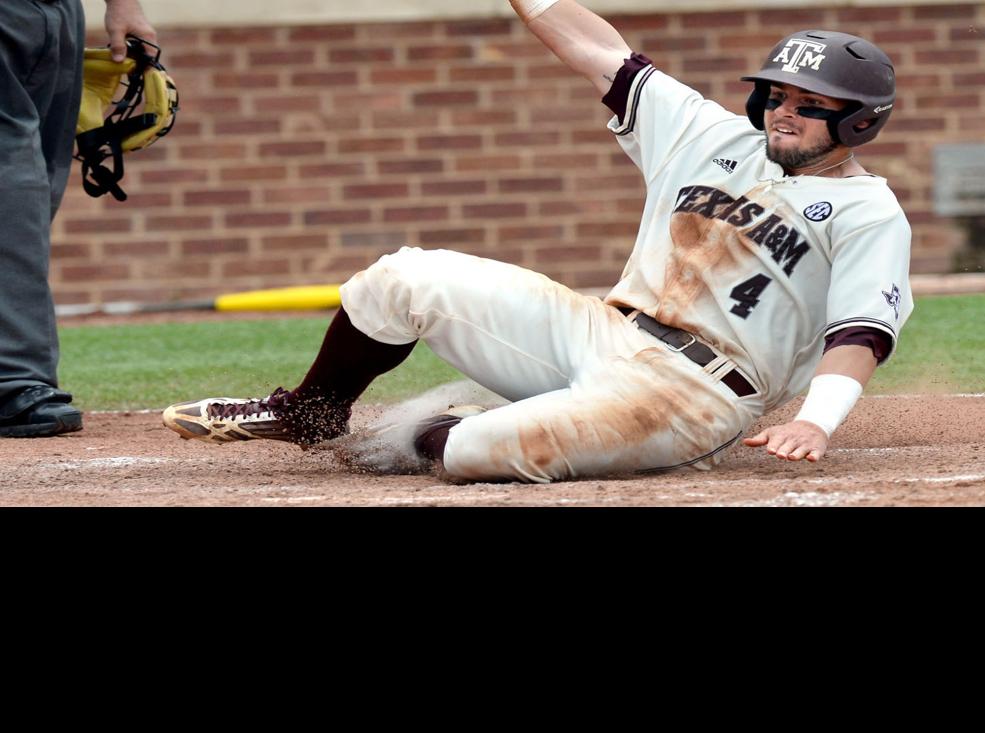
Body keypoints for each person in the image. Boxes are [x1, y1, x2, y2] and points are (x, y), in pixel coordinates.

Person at [161, 0, 913, 482]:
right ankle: (312, 411)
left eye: (811, 106)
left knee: (467, 451)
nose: (784, 112)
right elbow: (601, 53)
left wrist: (817, 419)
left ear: (857, 122)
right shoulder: (710, 136)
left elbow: (861, 331)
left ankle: (455, 428)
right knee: (406, 277)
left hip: (692, 396)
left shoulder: (870, 213)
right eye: (775, 95)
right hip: (598, 327)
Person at [1, 0, 156, 437]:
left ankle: (11, 378)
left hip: (44, 19)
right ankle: (11, 378)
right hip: (50, 18)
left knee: (26, 189)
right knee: (20, 186)